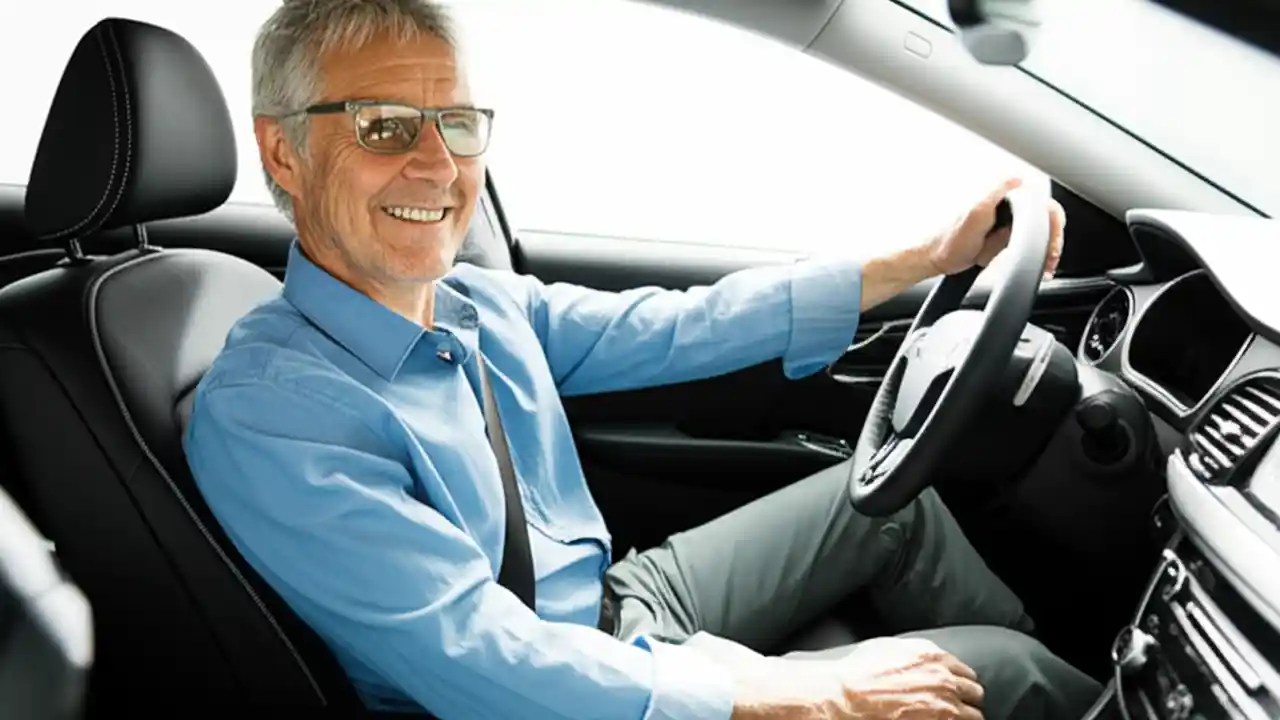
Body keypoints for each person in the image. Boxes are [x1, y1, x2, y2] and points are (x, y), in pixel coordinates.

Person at [183, 1, 1101, 718]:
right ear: (286, 152)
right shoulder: (271, 411)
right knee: (1004, 679)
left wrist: (930, 258)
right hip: (557, 689)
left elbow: (683, 324)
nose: (438, 165)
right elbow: (480, 653)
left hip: (620, 600)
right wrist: (816, 697)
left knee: (899, 509)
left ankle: (1087, 676)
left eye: (456, 123)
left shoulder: (481, 307)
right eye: (386, 127)